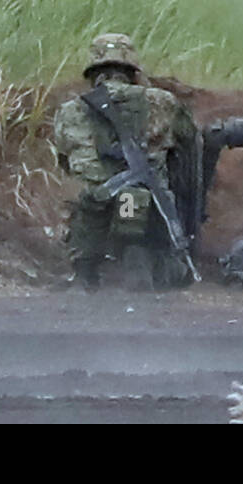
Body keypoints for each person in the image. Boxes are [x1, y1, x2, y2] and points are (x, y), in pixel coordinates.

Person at [52, 33, 200, 291]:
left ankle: (84, 275)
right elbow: (190, 145)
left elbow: (66, 163)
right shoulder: (163, 102)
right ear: (133, 71)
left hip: (94, 212)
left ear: (92, 73)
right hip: (151, 210)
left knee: (80, 201)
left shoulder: (69, 112)